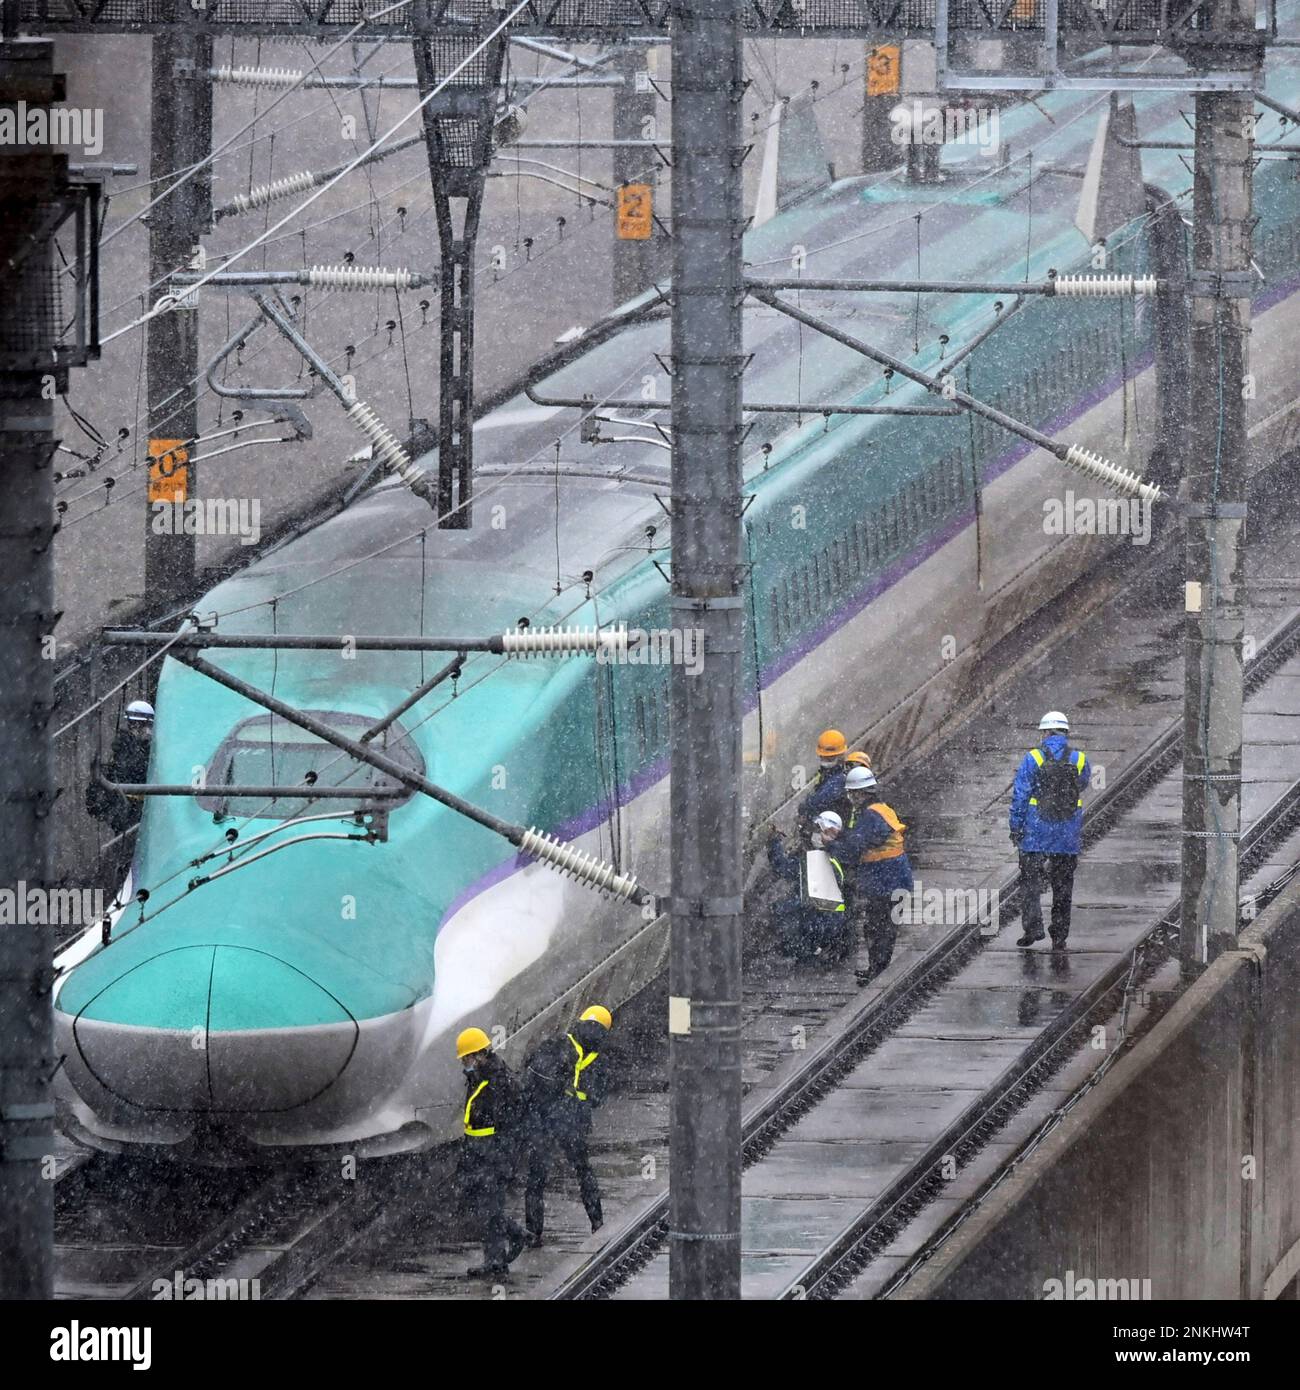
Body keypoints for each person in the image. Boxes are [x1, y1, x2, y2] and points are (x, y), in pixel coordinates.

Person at [521, 1005, 612, 1247]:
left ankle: (534, 1232)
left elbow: (531, 1078)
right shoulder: (599, 1060)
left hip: (546, 1120)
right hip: (574, 1124)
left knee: (536, 1179)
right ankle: (597, 1223)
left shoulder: (556, 1044)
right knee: (584, 1172)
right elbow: (598, 1098)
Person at [1010, 710, 1091, 950]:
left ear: (1045, 732)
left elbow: (1021, 795)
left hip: (1036, 832)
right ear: (1066, 732)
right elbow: (1082, 784)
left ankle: (1033, 929)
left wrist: (1016, 827)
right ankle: (1059, 935)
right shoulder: (1079, 759)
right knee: (1063, 886)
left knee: (1030, 884)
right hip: (1066, 834)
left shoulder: (1033, 758)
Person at [456, 1026, 527, 1279]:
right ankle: (512, 1238)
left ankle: (495, 1260)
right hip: (477, 1153)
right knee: (483, 1206)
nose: (465, 1063)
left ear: (479, 1055)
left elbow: (508, 1125)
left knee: (490, 1207)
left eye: (467, 1058)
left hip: (492, 1154)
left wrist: (501, 1158)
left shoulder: (498, 1083)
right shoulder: (479, 1078)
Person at [838, 765, 914, 979]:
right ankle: (877, 968)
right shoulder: (877, 809)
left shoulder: (872, 815)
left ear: (861, 793)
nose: (850, 797)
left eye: (852, 793)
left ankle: (878, 970)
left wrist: (834, 842)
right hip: (891, 879)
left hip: (886, 880)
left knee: (879, 927)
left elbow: (857, 845)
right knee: (881, 926)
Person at [766, 812, 852, 962]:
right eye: (817, 830)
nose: (818, 835)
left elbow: (783, 868)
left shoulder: (817, 862)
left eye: (822, 832)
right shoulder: (838, 855)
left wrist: (774, 842)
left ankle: (810, 953)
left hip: (820, 924)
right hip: (833, 923)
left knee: (789, 929)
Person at [85, 700, 154, 836]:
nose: (147, 730)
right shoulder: (127, 746)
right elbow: (132, 770)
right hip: (130, 809)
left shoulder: (135, 746)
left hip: (134, 809)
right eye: (142, 725)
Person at [798, 728, 850, 838]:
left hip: (832, 830)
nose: (825, 760)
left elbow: (817, 801)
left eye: (829, 758)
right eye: (823, 757)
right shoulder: (828, 774)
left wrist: (805, 807)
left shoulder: (839, 780)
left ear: (840, 756)